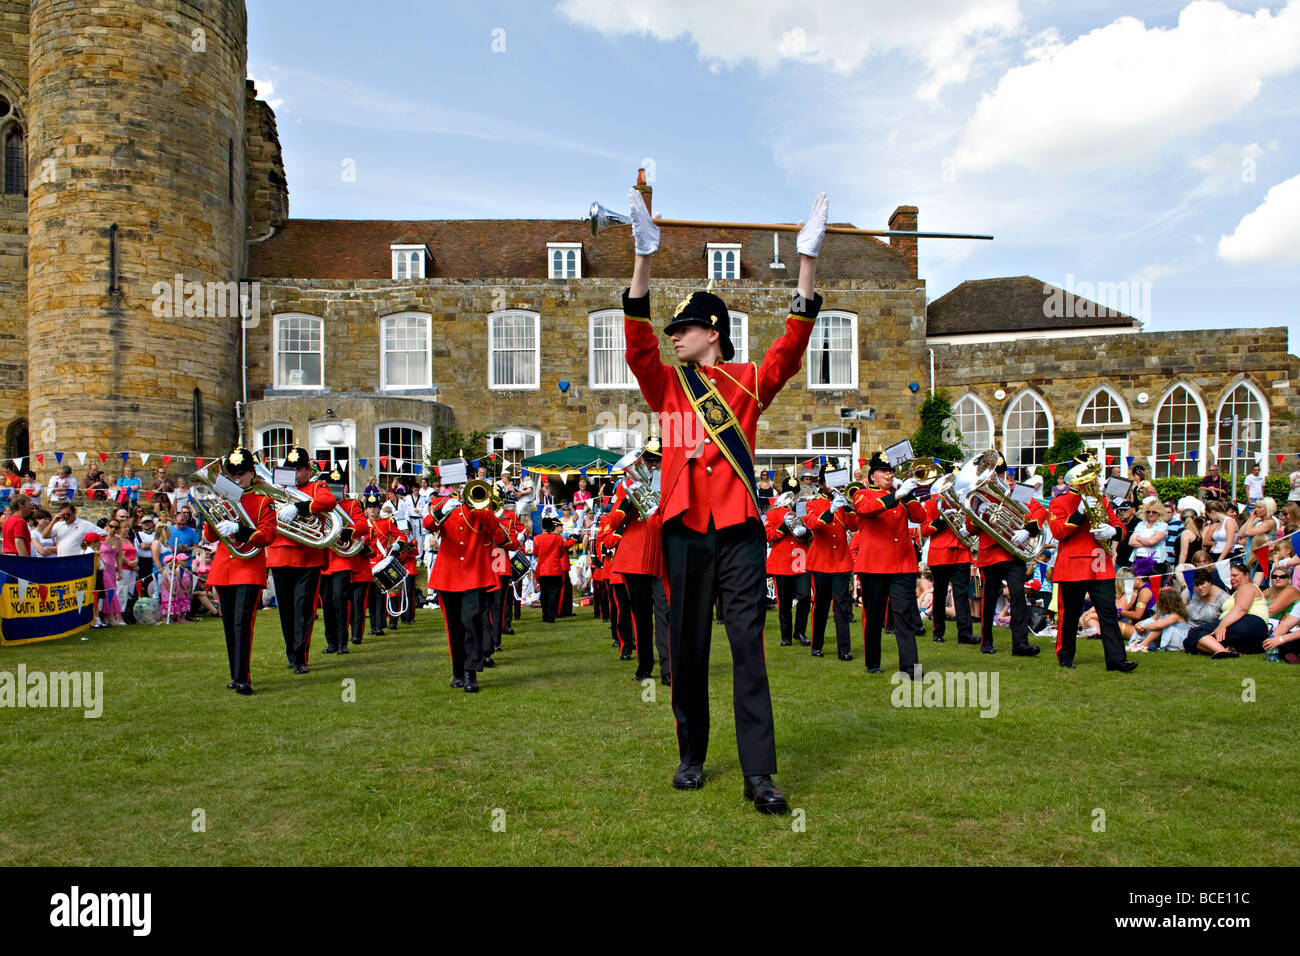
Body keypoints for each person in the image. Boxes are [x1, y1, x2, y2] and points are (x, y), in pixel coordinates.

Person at [621, 181, 826, 814]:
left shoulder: (744, 381)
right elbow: (637, 346)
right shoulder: (669, 384)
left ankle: (759, 773)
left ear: (713, 332)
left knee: (747, 649)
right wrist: (643, 257)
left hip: (737, 530)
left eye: (682, 329)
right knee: (686, 647)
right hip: (684, 528)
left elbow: (789, 348)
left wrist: (807, 262)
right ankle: (691, 754)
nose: (672, 337)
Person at [200, 448, 279, 694]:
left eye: (241, 474)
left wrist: (239, 528)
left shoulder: (264, 500)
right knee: (229, 625)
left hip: (248, 567)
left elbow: (267, 535)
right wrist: (212, 514)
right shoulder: (223, 498)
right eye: (233, 475)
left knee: (242, 624)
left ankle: (243, 677)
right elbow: (210, 535)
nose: (237, 479)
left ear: (252, 473)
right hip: (224, 568)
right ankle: (235, 674)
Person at [1046, 464, 1137, 671]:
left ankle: (1116, 659)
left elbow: (1121, 528)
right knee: (1069, 613)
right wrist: (1079, 513)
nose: (1093, 482)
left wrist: (1111, 530)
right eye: (1089, 479)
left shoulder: (1103, 501)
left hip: (1099, 564)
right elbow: (1059, 532)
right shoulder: (1059, 502)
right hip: (1073, 565)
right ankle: (1065, 655)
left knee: (1108, 612)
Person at [853, 452, 930, 675]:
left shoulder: (901, 494)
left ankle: (910, 668)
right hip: (874, 565)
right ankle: (872, 662)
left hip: (901, 564)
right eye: (883, 471)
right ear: (873, 476)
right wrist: (895, 497)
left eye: (891, 471)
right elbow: (865, 510)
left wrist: (907, 493)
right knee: (874, 616)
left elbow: (920, 517)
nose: (889, 474)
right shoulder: (862, 493)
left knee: (903, 615)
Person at [424, 486, 505, 693]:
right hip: (448, 575)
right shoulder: (441, 504)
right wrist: (443, 510)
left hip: (473, 575)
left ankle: (470, 672)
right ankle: (457, 672)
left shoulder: (480, 506)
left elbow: (495, 527)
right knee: (454, 627)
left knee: (472, 624)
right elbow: (428, 524)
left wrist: (476, 506)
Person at [266, 447, 337, 674]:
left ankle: (300, 656)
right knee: (286, 610)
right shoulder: (277, 490)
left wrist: (299, 507)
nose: (295, 474)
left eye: (299, 469)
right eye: (291, 469)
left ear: (308, 469)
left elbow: (328, 501)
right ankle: (291, 653)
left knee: (303, 609)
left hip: (307, 557)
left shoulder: (317, 486)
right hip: (279, 555)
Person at [970, 455, 1044, 656]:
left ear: (1004, 474)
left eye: (999, 474)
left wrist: (1028, 530)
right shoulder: (978, 495)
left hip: (1012, 553)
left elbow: (1039, 511)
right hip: (990, 553)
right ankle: (986, 640)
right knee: (989, 597)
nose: (996, 478)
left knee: (1018, 596)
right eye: (993, 474)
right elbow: (970, 527)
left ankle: (1020, 643)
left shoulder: (1017, 491)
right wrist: (979, 514)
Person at [919, 477, 979, 646]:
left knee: (961, 594)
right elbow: (924, 530)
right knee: (940, 593)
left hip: (960, 552)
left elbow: (973, 526)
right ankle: (938, 631)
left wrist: (968, 527)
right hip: (940, 553)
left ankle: (965, 633)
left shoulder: (964, 503)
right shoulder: (932, 504)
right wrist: (941, 519)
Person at [805, 478, 856, 660]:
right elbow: (813, 525)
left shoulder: (843, 502)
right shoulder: (813, 503)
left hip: (841, 560)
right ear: (821, 485)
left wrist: (848, 506)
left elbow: (855, 525)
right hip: (821, 562)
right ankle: (816, 645)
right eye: (829, 482)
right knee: (821, 604)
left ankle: (844, 649)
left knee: (842, 605)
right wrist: (831, 510)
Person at [764, 476, 811, 648]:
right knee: (784, 602)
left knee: (805, 597)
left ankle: (800, 632)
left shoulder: (803, 511)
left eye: (796, 494)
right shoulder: (772, 513)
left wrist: (804, 532)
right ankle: (786, 636)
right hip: (782, 562)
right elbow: (769, 536)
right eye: (790, 494)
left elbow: (811, 535)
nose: (794, 497)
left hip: (800, 559)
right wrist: (784, 526)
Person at [1184, 561, 1268, 657]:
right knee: (1190, 642)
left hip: (1249, 623)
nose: (1232, 579)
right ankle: (1226, 650)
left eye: (1235, 575)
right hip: (1246, 633)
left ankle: (1224, 652)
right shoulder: (1237, 592)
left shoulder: (1247, 587)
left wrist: (1222, 625)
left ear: (1247, 575)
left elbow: (1241, 608)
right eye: (1230, 576)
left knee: (1195, 632)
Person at [1129, 587, 1191, 652]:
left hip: (1179, 641)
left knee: (1159, 624)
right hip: (1167, 637)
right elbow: (1150, 620)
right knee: (1152, 622)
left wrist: (1143, 627)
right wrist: (1138, 625)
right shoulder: (1161, 612)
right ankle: (1137, 642)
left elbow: (1159, 625)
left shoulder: (1176, 614)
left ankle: (1143, 644)